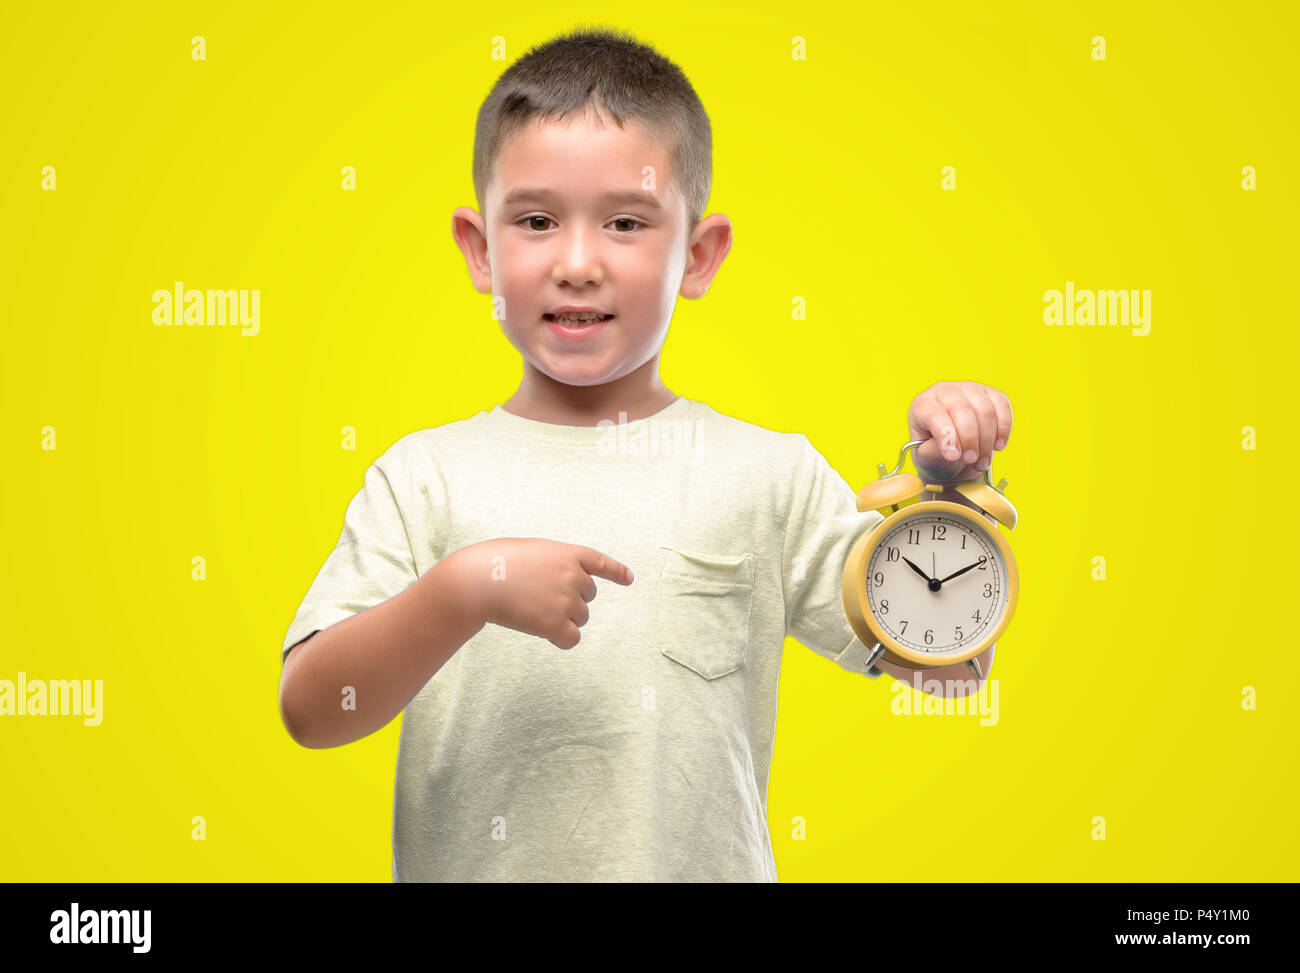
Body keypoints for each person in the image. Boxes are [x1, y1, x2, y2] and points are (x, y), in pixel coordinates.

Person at [277, 25, 1014, 882]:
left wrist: (952, 493)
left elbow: (954, 662)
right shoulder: (422, 478)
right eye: (538, 220)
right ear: (480, 251)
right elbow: (314, 709)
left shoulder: (767, 472)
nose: (579, 262)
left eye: (626, 221)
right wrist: (464, 588)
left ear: (697, 256)